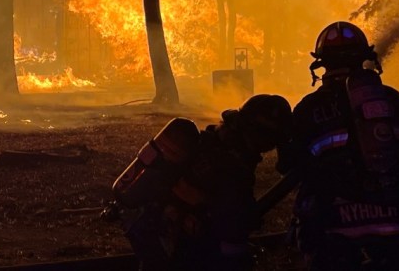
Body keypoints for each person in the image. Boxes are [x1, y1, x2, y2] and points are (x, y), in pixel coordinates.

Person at [277, 21, 399, 271]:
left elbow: (287, 163)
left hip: (332, 225)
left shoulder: (308, 108)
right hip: (398, 217)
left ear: (321, 63)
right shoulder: (392, 99)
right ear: (364, 56)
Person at [111, 94, 292, 271]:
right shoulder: (231, 166)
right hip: (177, 238)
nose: (270, 147)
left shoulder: (210, 141)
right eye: (271, 141)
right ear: (259, 136)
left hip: (155, 228)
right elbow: (234, 220)